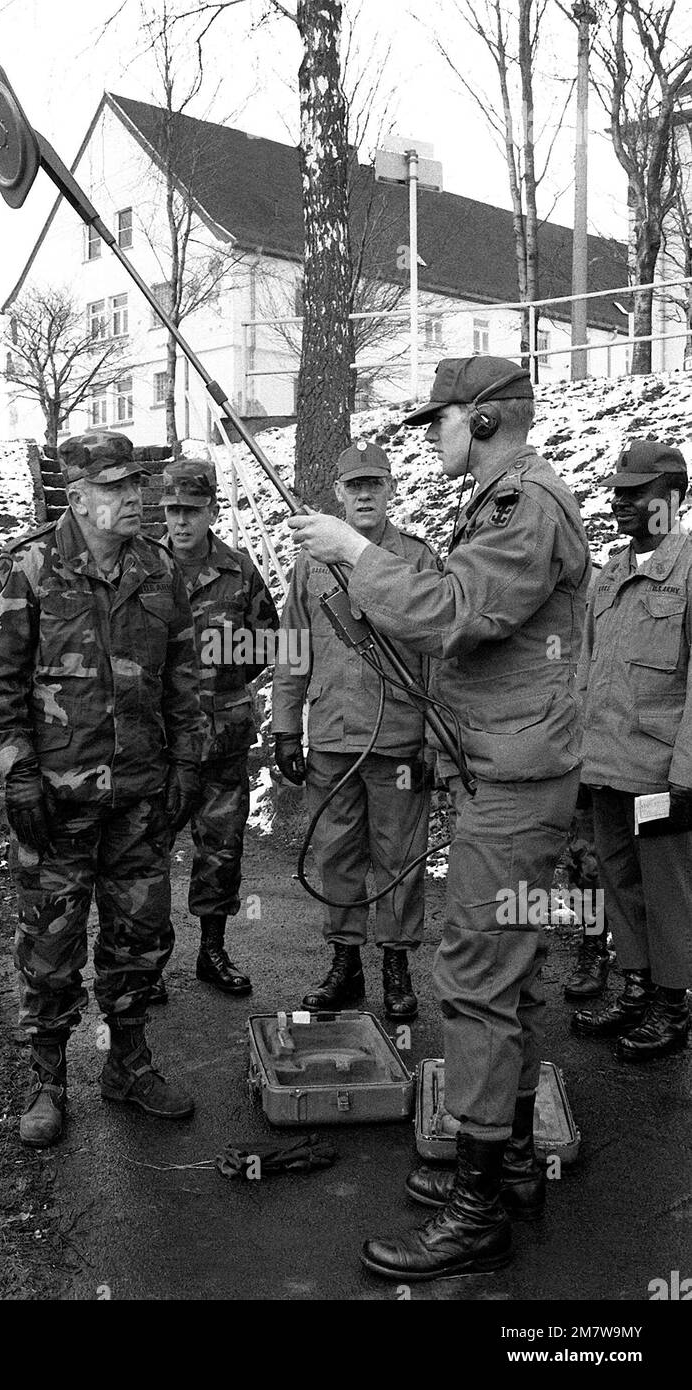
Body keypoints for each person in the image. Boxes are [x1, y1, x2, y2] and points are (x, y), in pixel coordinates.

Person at [288, 357, 591, 1281]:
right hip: (500, 773)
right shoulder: (503, 501)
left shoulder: (521, 507)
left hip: (515, 787)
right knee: (497, 968)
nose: (431, 437)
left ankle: (476, 1208)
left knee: (474, 976)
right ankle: (499, 1171)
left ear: (487, 419)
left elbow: (455, 609)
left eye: (442, 421)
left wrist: (352, 551)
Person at [0, 432, 203, 1147]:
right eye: (118, 487)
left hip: (138, 796)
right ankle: (47, 1079)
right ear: (79, 494)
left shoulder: (159, 571)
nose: (137, 498)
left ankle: (127, 1063)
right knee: (51, 943)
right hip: (57, 801)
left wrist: (187, 759)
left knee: (139, 937)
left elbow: (183, 677)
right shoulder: (27, 567)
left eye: (139, 485)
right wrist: (17, 769)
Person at [272, 440, 438, 1020]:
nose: (365, 494)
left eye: (375, 484)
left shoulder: (416, 562)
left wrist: (436, 744)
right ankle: (344, 964)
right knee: (337, 853)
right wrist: (286, 728)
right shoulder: (311, 565)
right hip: (333, 739)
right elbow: (292, 649)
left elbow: (440, 658)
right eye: (354, 486)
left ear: (391, 489)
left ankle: (396, 965)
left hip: (398, 738)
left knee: (399, 856)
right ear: (339, 493)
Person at [571, 440, 692, 1059]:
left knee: (667, 888)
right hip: (607, 765)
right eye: (617, 491)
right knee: (618, 881)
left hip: (662, 773)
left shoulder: (690, 569)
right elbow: (587, 669)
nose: (619, 502)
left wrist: (686, 774)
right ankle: (637, 986)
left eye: (635, 492)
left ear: (672, 499)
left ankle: (673, 1003)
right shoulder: (612, 573)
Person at [156, 458, 279, 997]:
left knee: (222, 850)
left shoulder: (238, 570)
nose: (181, 521)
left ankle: (212, 951)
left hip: (223, 741)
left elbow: (271, 643)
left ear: (211, 510)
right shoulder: (142, 566)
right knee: (145, 854)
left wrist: (219, 672)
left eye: (192, 510)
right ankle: (148, 962)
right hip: (156, 745)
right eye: (172, 509)